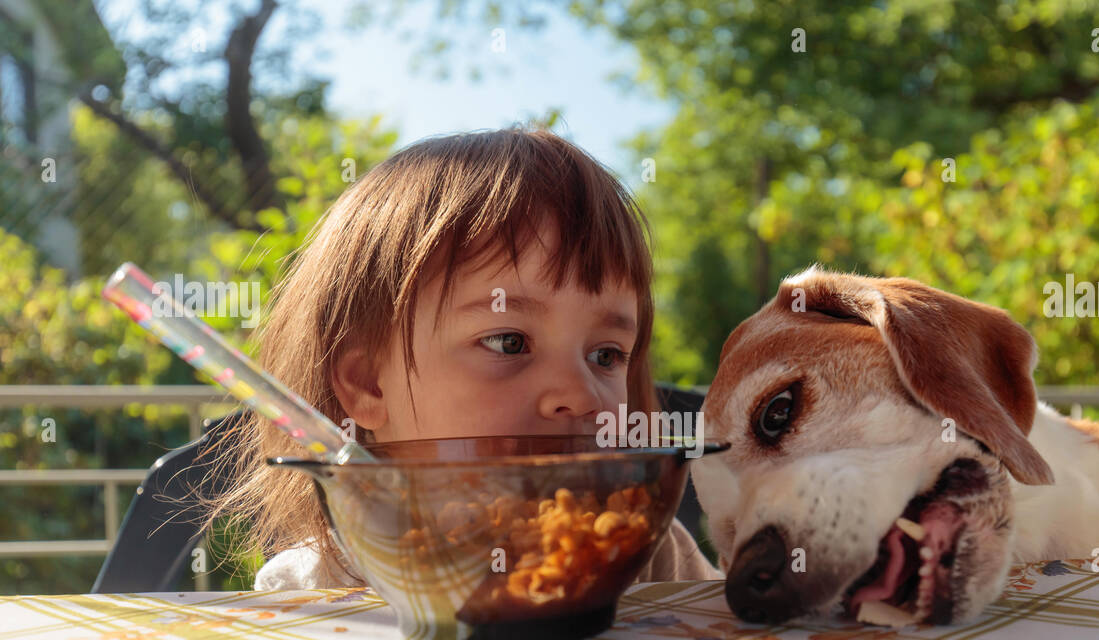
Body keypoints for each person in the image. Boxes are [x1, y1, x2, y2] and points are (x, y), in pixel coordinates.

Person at [198, 126, 722, 589]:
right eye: (508, 342)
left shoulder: (651, 559)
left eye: (606, 354)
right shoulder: (317, 591)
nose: (582, 395)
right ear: (367, 384)